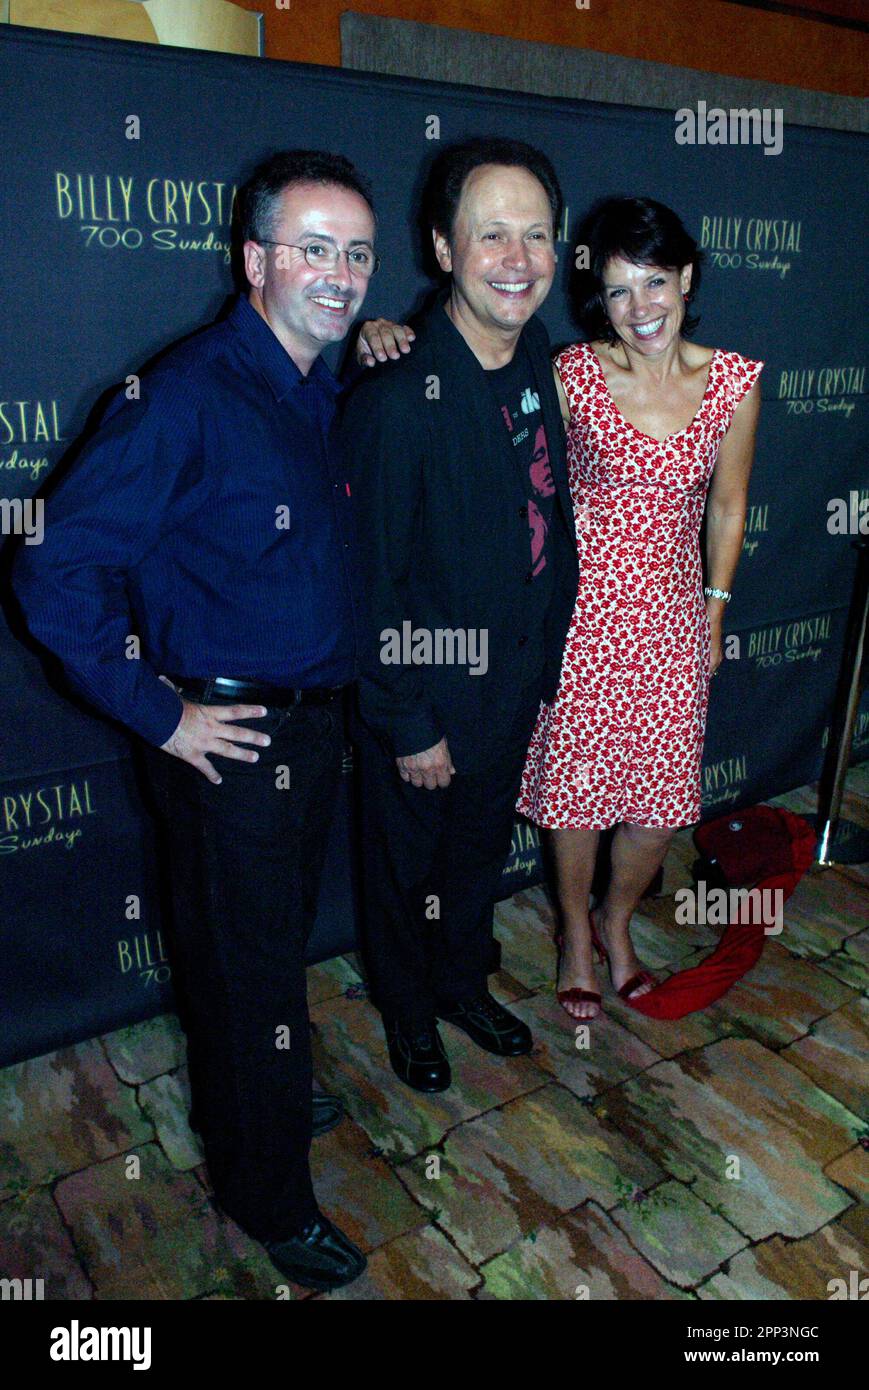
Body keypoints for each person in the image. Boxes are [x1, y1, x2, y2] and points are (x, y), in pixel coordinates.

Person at [13, 150, 379, 1292]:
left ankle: (256, 1093)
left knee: (262, 960)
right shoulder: (185, 394)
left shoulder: (314, 385)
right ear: (255, 260)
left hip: (308, 729)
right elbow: (52, 565)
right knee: (246, 974)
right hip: (227, 741)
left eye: (357, 252)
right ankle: (268, 1197)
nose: (339, 273)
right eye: (312, 249)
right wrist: (159, 715)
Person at [341, 137, 579, 1092]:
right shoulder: (395, 398)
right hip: (427, 702)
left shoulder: (542, 361)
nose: (517, 259)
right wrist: (406, 720)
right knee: (404, 869)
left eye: (536, 235)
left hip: (514, 684)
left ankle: (459, 983)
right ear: (443, 249)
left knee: (476, 855)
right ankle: (407, 1010)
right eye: (491, 235)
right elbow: (369, 582)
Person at [516, 196, 762, 1021]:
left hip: (670, 624)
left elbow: (727, 506)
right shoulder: (573, 373)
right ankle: (574, 936)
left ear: (686, 277)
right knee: (575, 797)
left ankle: (615, 922)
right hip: (582, 621)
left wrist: (713, 613)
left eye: (653, 281)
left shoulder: (731, 382)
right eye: (617, 290)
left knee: (657, 813)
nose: (638, 307)